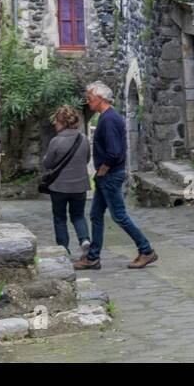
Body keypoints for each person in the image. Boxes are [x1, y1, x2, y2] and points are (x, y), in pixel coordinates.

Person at [72, 82, 158, 270]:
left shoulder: (109, 120)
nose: (87, 101)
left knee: (119, 216)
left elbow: (114, 152)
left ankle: (146, 250)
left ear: (101, 98)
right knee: (96, 215)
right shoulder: (107, 117)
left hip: (109, 175)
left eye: (90, 98)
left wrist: (102, 171)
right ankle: (93, 257)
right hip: (107, 175)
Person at [41, 104, 91, 257]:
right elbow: (87, 159)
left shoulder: (56, 141)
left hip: (59, 186)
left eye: (56, 121)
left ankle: (63, 248)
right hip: (80, 185)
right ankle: (84, 239)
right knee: (78, 215)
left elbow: (47, 163)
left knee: (60, 218)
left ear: (62, 122)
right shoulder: (84, 139)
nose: (55, 124)